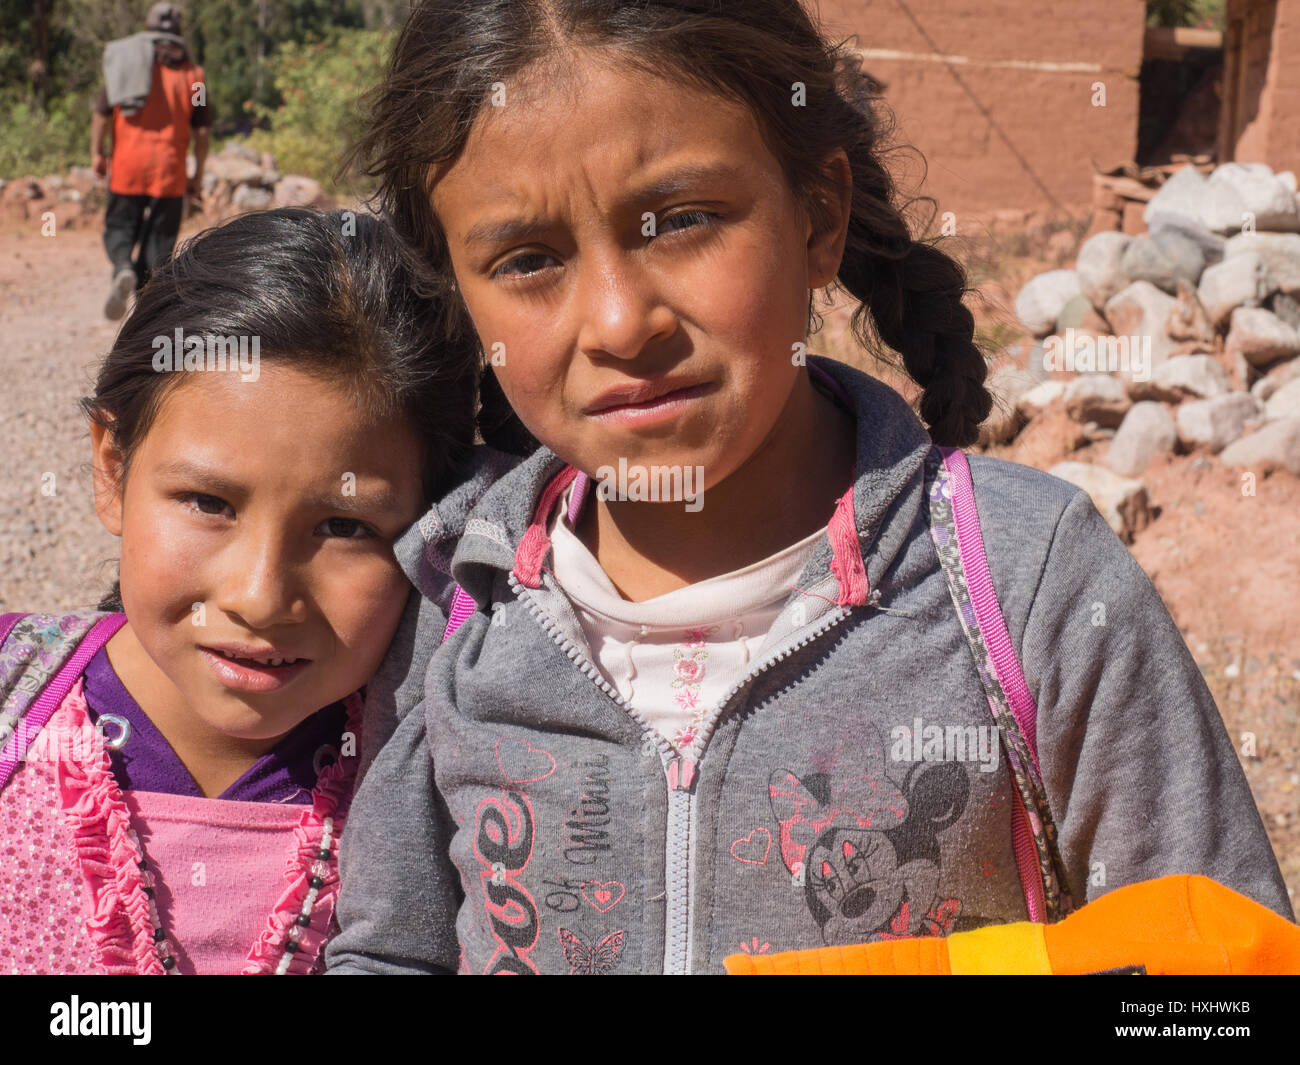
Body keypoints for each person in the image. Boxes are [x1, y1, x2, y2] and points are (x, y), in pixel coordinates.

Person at [324, 0, 1294, 975]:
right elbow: (388, 953)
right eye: (527, 260)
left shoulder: (1027, 585)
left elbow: (1218, 972)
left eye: (683, 221)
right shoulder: (457, 604)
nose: (619, 323)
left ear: (818, 218)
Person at [0, 207, 498, 974]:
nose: (261, 596)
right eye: (208, 503)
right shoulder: (14, 699)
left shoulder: (451, 783)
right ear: (112, 467)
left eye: (344, 526)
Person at [92, 3, 210, 320]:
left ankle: (121, 267)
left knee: (119, 229)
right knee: (158, 248)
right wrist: (197, 174)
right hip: (169, 171)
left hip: (128, 167)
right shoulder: (194, 77)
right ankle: (144, 316)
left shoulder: (124, 66)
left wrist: (97, 153)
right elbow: (201, 131)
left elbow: (102, 115)